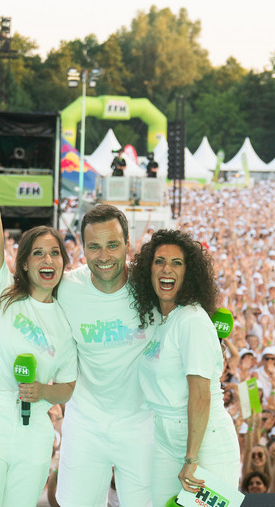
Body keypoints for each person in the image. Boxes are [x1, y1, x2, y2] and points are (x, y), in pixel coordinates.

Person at [0, 120, 78, 506]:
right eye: (37, 252)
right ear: (22, 264)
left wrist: (42, 392)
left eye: (55, 252)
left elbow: (68, 387)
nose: (47, 259)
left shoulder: (67, 321)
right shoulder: (0, 292)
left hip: (33, 428)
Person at [129, 229, 240, 505]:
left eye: (177, 263)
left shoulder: (192, 320)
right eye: (159, 261)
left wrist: (192, 459)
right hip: (166, 441)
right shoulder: (162, 320)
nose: (167, 269)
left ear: (189, 274)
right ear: (148, 270)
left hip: (205, 444)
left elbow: (201, 395)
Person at [55, 204, 155, 507]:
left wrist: (218, 342)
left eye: (113, 245)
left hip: (142, 424)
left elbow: (200, 301)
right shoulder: (66, 288)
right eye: (94, 247)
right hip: (84, 423)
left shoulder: (151, 286)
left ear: (128, 243)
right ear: (82, 248)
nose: (103, 256)